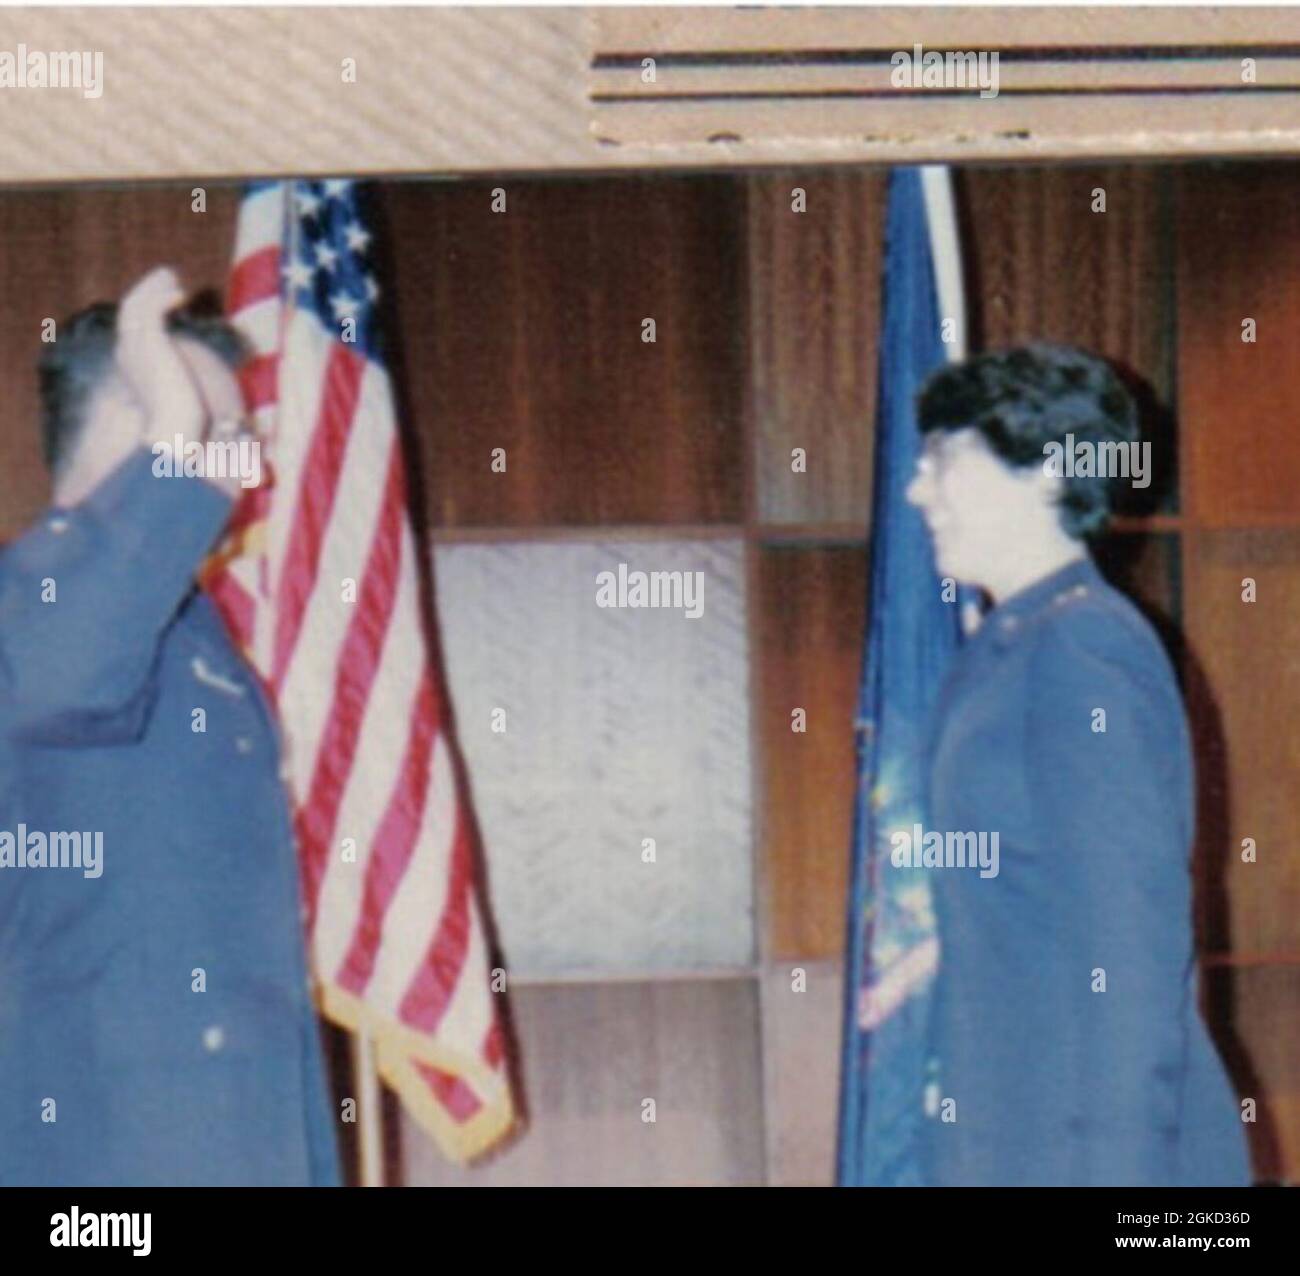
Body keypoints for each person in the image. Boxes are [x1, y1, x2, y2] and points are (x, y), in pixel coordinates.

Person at [0, 266, 341, 1186]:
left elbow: (254, 995)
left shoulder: (192, 635)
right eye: (224, 437)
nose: (250, 469)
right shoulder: (35, 614)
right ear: (134, 426)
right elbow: (58, 676)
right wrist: (176, 447)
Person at [904, 342, 1250, 1187]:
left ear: (1047, 471)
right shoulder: (1006, 648)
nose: (919, 491)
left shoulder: (1083, 647)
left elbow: (1130, 953)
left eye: (945, 461)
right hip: (1010, 1136)